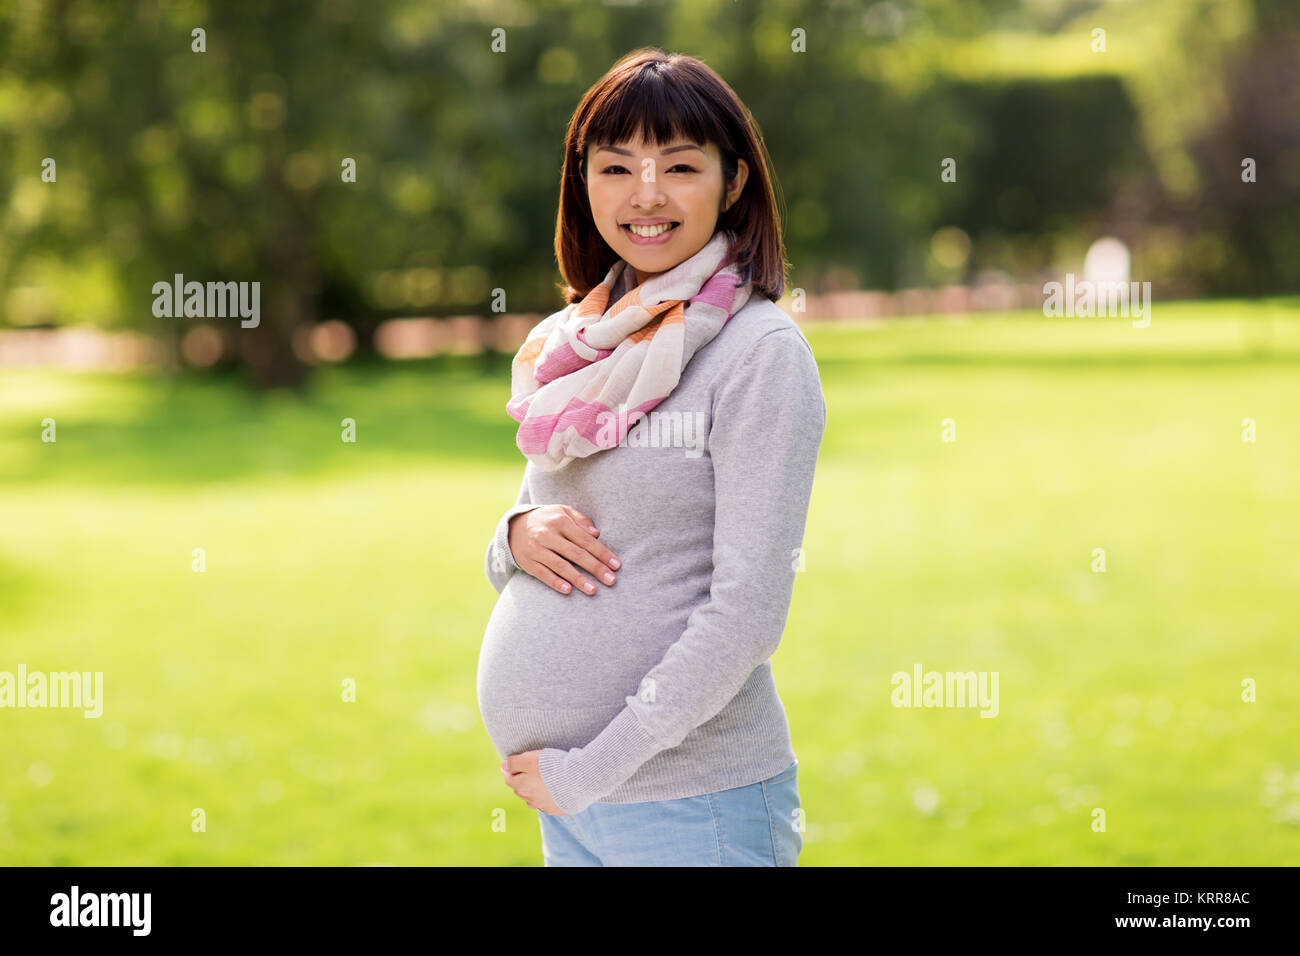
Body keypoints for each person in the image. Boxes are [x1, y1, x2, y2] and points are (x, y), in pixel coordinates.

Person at [476, 47, 827, 866]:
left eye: (678, 166)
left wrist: (589, 770)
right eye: (616, 166)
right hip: (573, 806)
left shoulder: (758, 353)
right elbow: (521, 555)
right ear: (582, 180)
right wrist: (515, 532)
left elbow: (747, 615)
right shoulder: (585, 343)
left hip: (688, 808)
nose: (646, 194)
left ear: (733, 182)